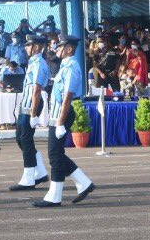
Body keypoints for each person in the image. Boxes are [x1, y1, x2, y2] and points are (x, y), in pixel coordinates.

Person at [33, 37, 96, 208]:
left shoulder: (71, 67)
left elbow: (68, 97)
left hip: (62, 115)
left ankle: (57, 194)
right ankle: (81, 184)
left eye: (60, 47)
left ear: (69, 49)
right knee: (56, 155)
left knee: (55, 155)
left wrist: (60, 123)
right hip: (57, 115)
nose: (57, 49)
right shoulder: (65, 66)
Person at [10, 35, 52, 191]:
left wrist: (34, 115)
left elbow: (36, 91)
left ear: (35, 47)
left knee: (25, 139)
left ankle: (29, 178)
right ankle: (39, 171)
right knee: (20, 138)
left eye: (28, 46)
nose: (26, 48)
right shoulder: (33, 62)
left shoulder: (39, 64)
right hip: (26, 104)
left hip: (32, 105)